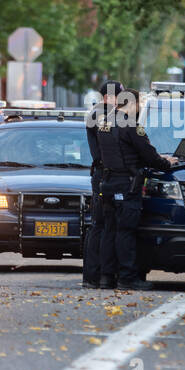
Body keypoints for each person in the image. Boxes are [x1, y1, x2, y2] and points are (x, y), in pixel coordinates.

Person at [95, 87, 176, 291]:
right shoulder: (131, 125)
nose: (140, 107)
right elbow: (148, 155)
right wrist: (168, 163)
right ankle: (127, 277)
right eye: (139, 103)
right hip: (127, 186)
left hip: (108, 183)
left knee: (109, 231)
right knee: (126, 232)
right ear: (132, 103)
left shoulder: (104, 123)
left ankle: (106, 277)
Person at [83, 80, 121, 289]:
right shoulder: (102, 114)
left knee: (101, 224)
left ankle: (95, 275)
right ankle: (94, 276)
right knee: (100, 224)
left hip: (102, 173)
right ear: (108, 97)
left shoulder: (101, 113)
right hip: (103, 174)